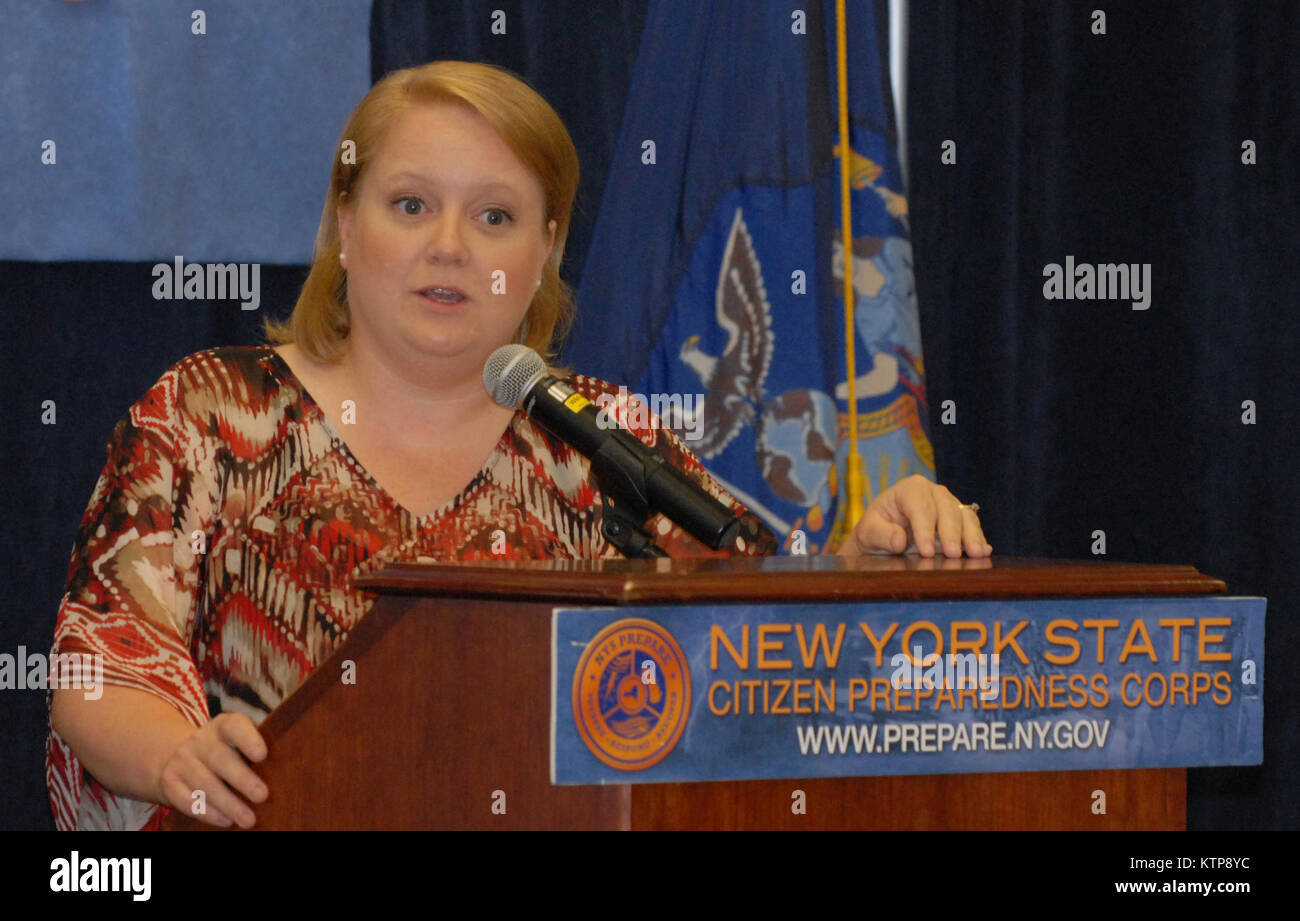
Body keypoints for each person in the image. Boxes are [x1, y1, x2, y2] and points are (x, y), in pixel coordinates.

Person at [47, 61, 990, 831]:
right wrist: (177, 756)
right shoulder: (210, 413)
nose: (450, 245)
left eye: (495, 216)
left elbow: (755, 630)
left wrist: (873, 558)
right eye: (410, 204)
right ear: (345, 222)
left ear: (544, 248)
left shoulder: (598, 438)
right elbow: (100, 666)